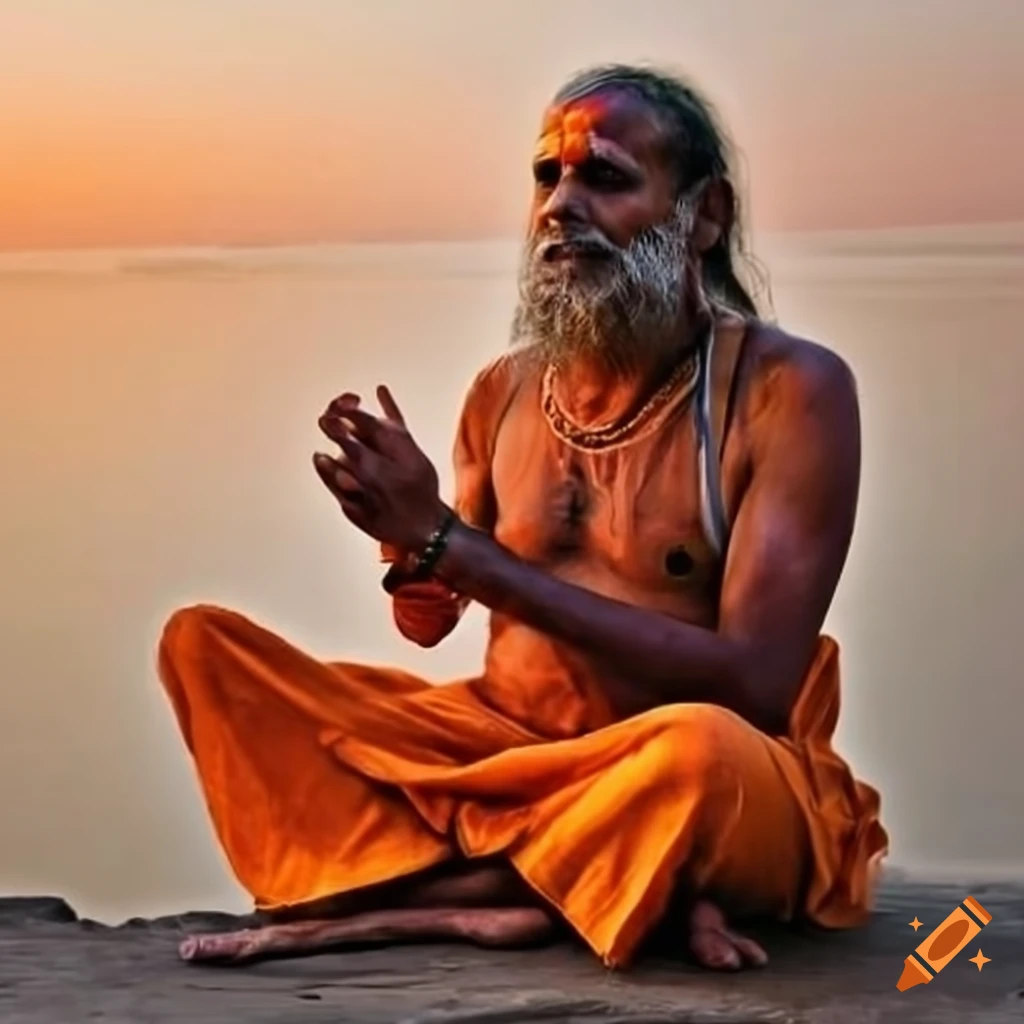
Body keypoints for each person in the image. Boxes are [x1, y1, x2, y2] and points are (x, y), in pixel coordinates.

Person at [159, 63, 888, 972]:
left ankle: (428, 899)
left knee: (700, 758)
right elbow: (427, 623)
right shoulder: (503, 392)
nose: (561, 206)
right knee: (205, 649)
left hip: (683, 765)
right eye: (548, 177)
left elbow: (757, 686)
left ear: (704, 217)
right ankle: (594, 879)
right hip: (500, 749)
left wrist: (453, 548)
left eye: (607, 178)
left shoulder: (789, 394)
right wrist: (401, 533)